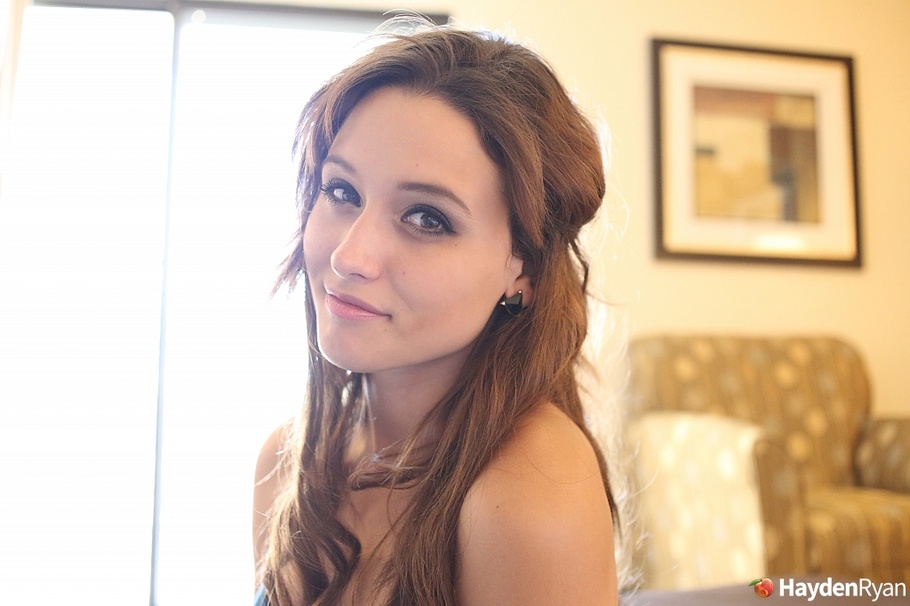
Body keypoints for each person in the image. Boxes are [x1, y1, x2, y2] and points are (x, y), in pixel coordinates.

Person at [253, 22, 619, 606]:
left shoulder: (529, 492)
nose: (350, 256)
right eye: (341, 191)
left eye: (426, 218)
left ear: (522, 270)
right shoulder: (289, 463)